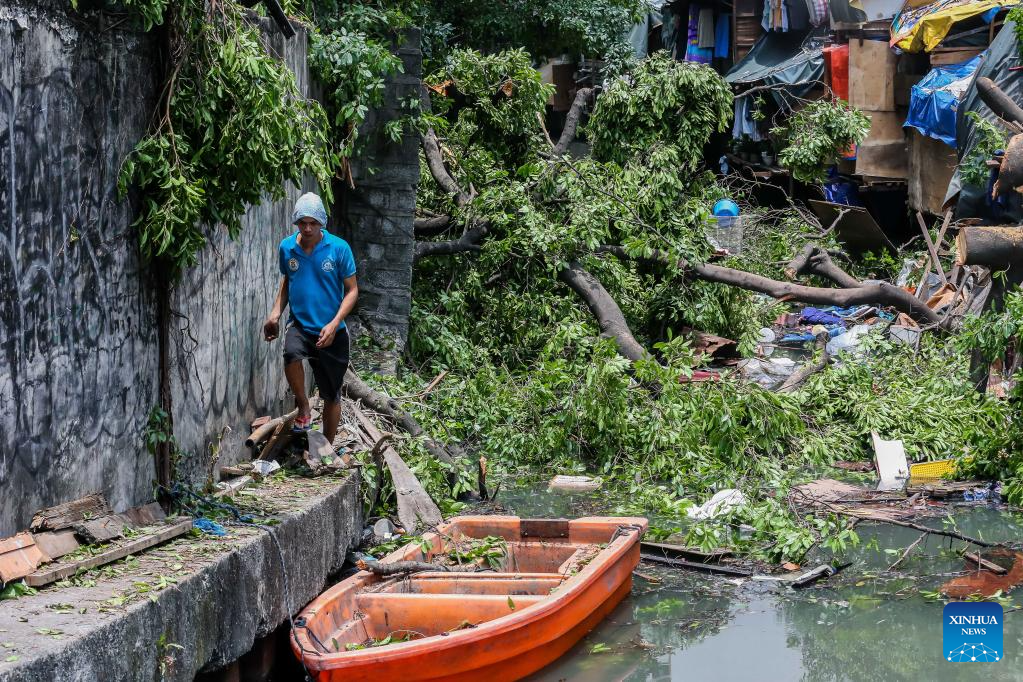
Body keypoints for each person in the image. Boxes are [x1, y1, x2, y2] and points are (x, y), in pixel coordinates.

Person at [263, 193, 358, 442]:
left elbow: (352, 291)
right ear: (296, 222)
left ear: (321, 223)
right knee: (291, 354)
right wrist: (275, 314)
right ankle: (304, 407)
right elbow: (288, 280)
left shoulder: (339, 248)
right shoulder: (287, 248)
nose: (307, 228)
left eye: (313, 223)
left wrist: (334, 323)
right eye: (302, 223)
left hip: (332, 331)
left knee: (331, 396)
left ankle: (326, 447)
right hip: (300, 324)